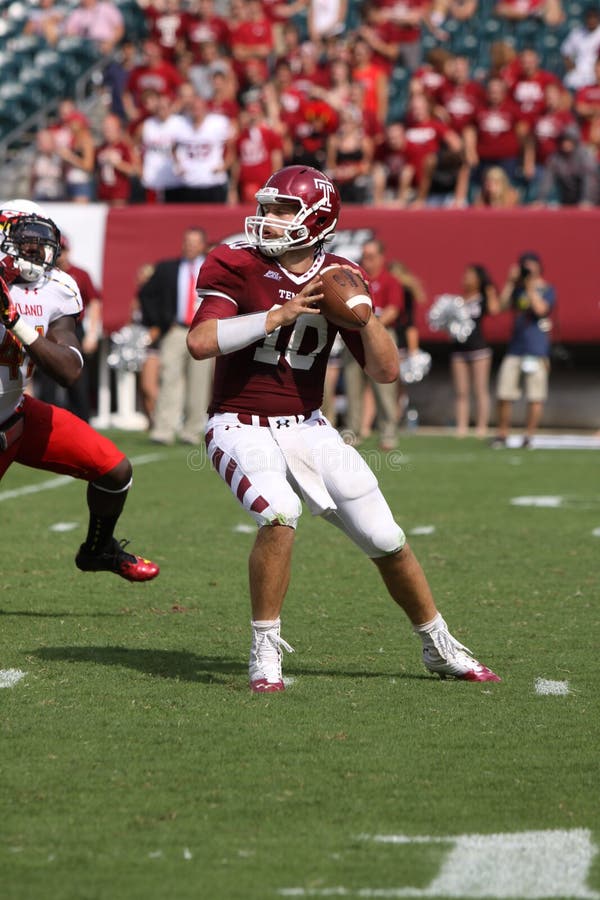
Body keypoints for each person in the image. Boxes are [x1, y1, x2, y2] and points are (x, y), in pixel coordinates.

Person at [186, 164, 500, 692]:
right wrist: (274, 316)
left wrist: (364, 315)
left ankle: (437, 642)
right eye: (267, 207)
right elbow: (200, 342)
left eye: (282, 209)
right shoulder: (234, 261)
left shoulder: (339, 273)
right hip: (237, 423)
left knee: (386, 536)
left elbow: (385, 371)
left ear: (316, 218)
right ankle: (265, 647)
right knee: (278, 512)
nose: (267, 218)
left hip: (309, 427)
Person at [0, 200, 158, 582]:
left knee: (114, 470)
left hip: (16, 412)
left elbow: (69, 370)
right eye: (26, 243)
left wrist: (15, 321)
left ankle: (98, 549)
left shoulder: (57, 288)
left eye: (41, 243)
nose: (37, 252)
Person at [139, 227, 212, 446]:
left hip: (203, 330)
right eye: (187, 241)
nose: (190, 245)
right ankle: (164, 430)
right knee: (169, 377)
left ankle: (192, 430)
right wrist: (157, 323)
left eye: (194, 242)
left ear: (202, 245)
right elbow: (146, 294)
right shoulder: (167, 268)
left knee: (199, 381)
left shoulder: (212, 269)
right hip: (176, 330)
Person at [34, 234, 103, 423]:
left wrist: (92, 333)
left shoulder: (79, 274)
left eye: (62, 250)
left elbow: (94, 302)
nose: (60, 255)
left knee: (77, 377)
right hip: (48, 329)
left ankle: (83, 422)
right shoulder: (42, 275)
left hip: (73, 328)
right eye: (57, 251)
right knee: (46, 378)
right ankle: (46, 422)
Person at [343, 238, 404, 450]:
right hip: (355, 336)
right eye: (364, 256)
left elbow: (393, 310)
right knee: (352, 387)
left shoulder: (390, 280)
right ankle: (354, 431)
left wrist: (370, 325)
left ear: (381, 257)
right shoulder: (355, 280)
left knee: (384, 389)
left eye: (370, 256)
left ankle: (388, 433)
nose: (365, 261)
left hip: (380, 336)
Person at [492, 252, 556, 448]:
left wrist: (530, 286)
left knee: (535, 396)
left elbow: (540, 309)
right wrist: (510, 282)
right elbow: (498, 307)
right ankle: (502, 433)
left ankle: (529, 435)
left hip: (536, 350)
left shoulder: (547, 289)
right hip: (516, 348)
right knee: (504, 392)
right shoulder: (516, 289)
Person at [449, 265, 500, 438]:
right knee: (461, 391)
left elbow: (494, 310)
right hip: (459, 349)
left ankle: (481, 427)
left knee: (480, 389)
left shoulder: (483, 298)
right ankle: (461, 427)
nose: (466, 278)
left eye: (470, 275)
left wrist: (490, 290)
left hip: (479, 349)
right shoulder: (458, 300)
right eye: (465, 275)